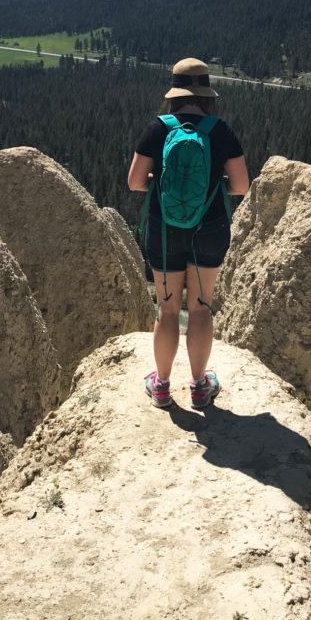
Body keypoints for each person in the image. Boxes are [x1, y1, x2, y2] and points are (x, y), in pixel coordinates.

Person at [127, 57, 250, 410]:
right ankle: (199, 387)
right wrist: (213, 188)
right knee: (199, 309)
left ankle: (162, 386)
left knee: (167, 311)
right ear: (206, 93)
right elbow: (241, 186)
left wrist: (160, 183)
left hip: (164, 230)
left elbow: (135, 182)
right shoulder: (220, 131)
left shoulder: (158, 129)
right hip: (209, 229)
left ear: (175, 93)